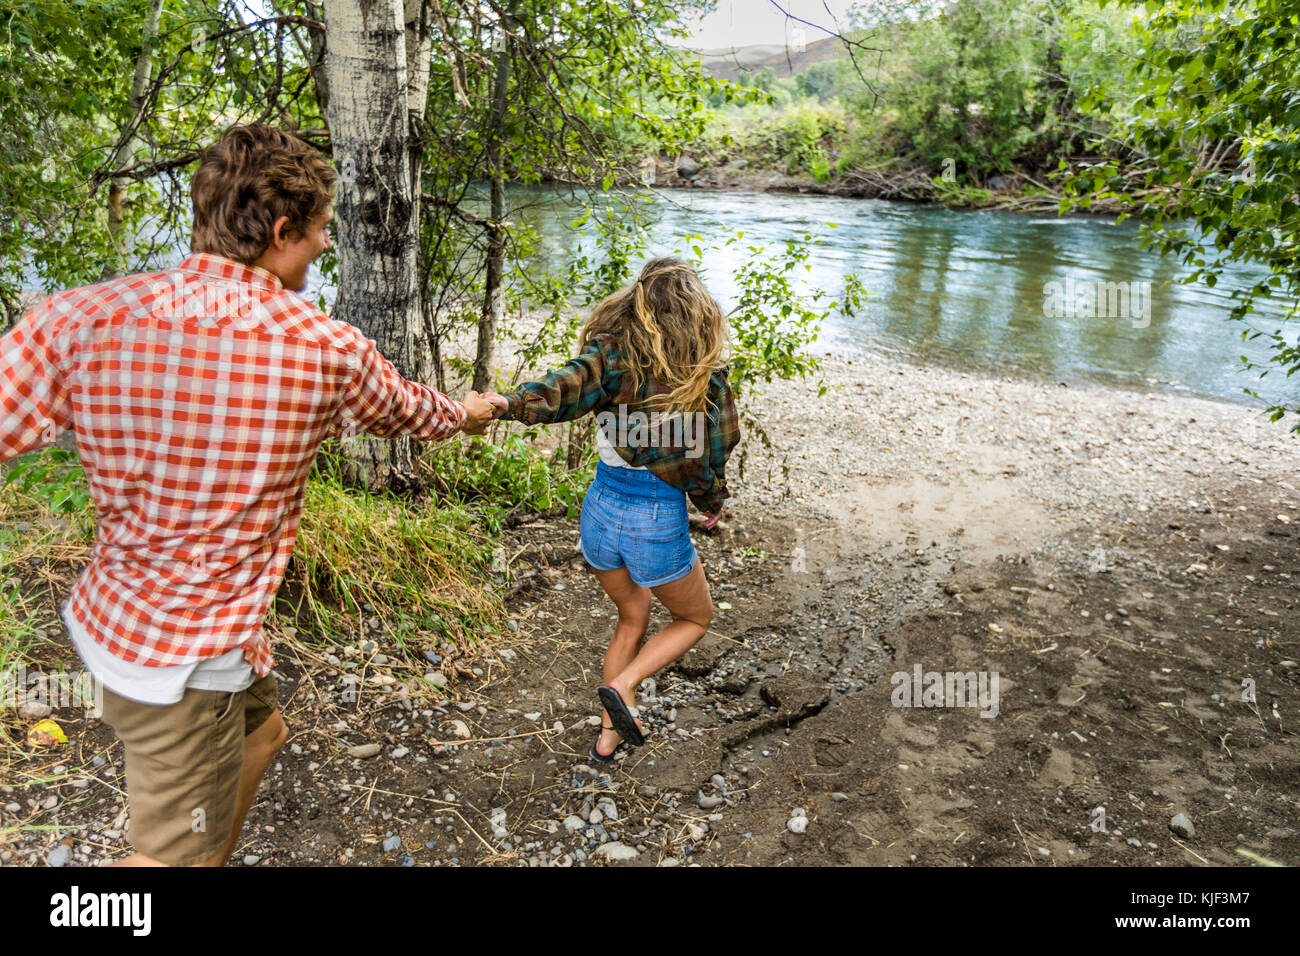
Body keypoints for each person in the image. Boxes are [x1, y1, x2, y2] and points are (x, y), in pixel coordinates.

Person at [0, 123, 498, 866]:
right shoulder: (327, 349)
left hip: (130, 622)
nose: (326, 246)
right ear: (280, 229)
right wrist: (472, 410)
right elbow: (412, 414)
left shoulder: (78, 319)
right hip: (185, 664)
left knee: (264, 737)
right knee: (165, 862)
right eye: (321, 230)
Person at [483, 258, 740, 764]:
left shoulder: (608, 360)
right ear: (698, 316)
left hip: (598, 515)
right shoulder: (705, 382)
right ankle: (625, 684)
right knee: (695, 617)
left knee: (632, 616)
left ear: (636, 304)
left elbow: (560, 391)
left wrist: (507, 403)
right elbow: (717, 450)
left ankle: (608, 737)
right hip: (655, 525)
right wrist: (710, 502)